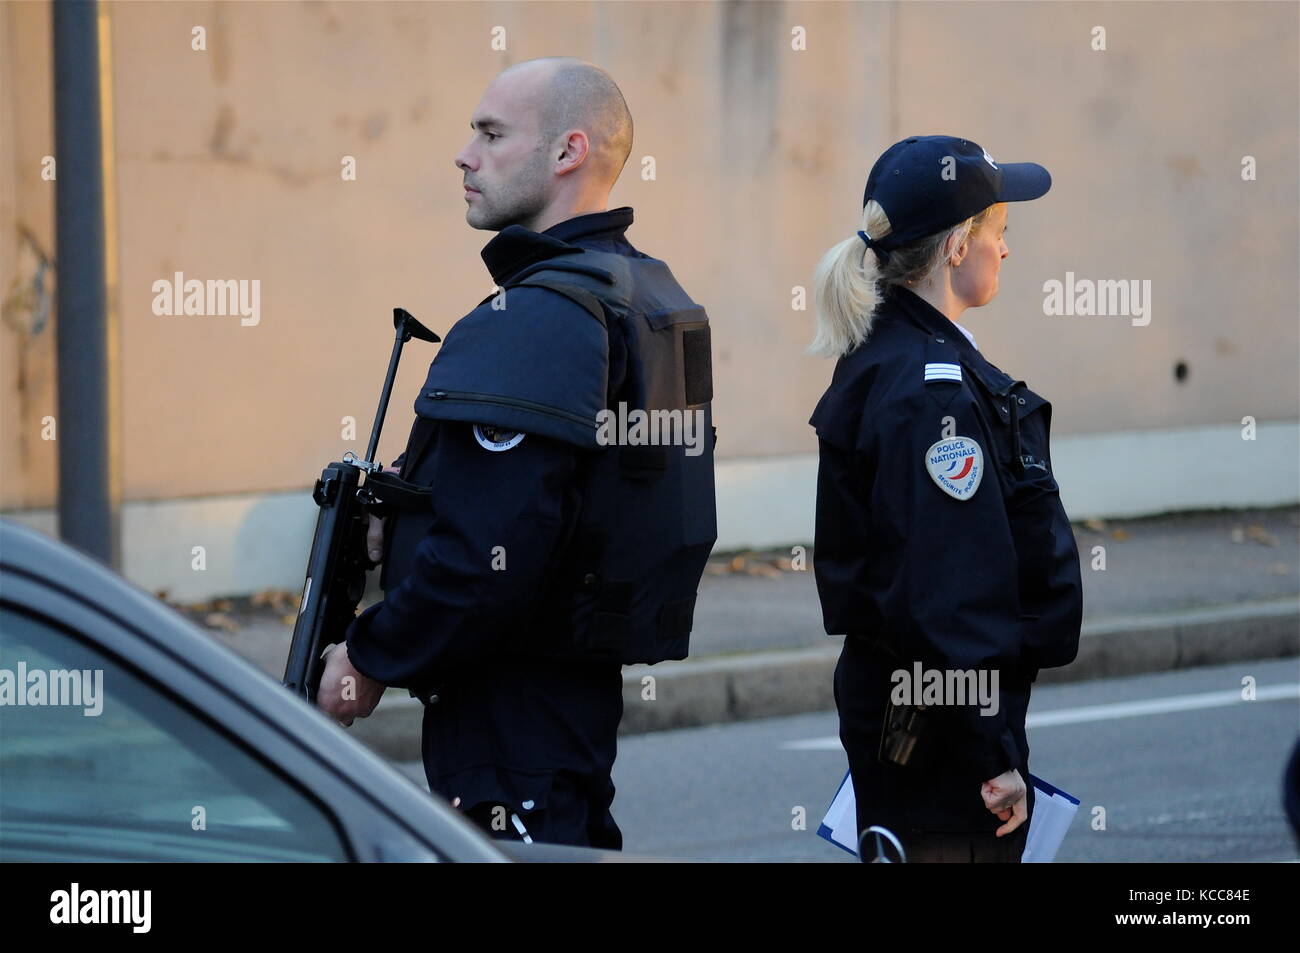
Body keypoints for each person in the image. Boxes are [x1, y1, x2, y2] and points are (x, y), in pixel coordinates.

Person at [315, 58, 717, 850]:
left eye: (492, 134)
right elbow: (578, 498)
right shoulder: (643, 292)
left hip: (510, 710)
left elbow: (486, 552)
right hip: (567, 697)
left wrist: (369, 653)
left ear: (568, 151)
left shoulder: (537, 315)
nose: (465, 155)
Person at [807, 136, 1083, 863]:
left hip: (911, 720)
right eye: (1000, 233)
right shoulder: (933, 394)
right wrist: (991, 751)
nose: (1006, 251)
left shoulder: (885, 357)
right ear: (960, 245)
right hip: (945, 741)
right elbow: (947, 598)